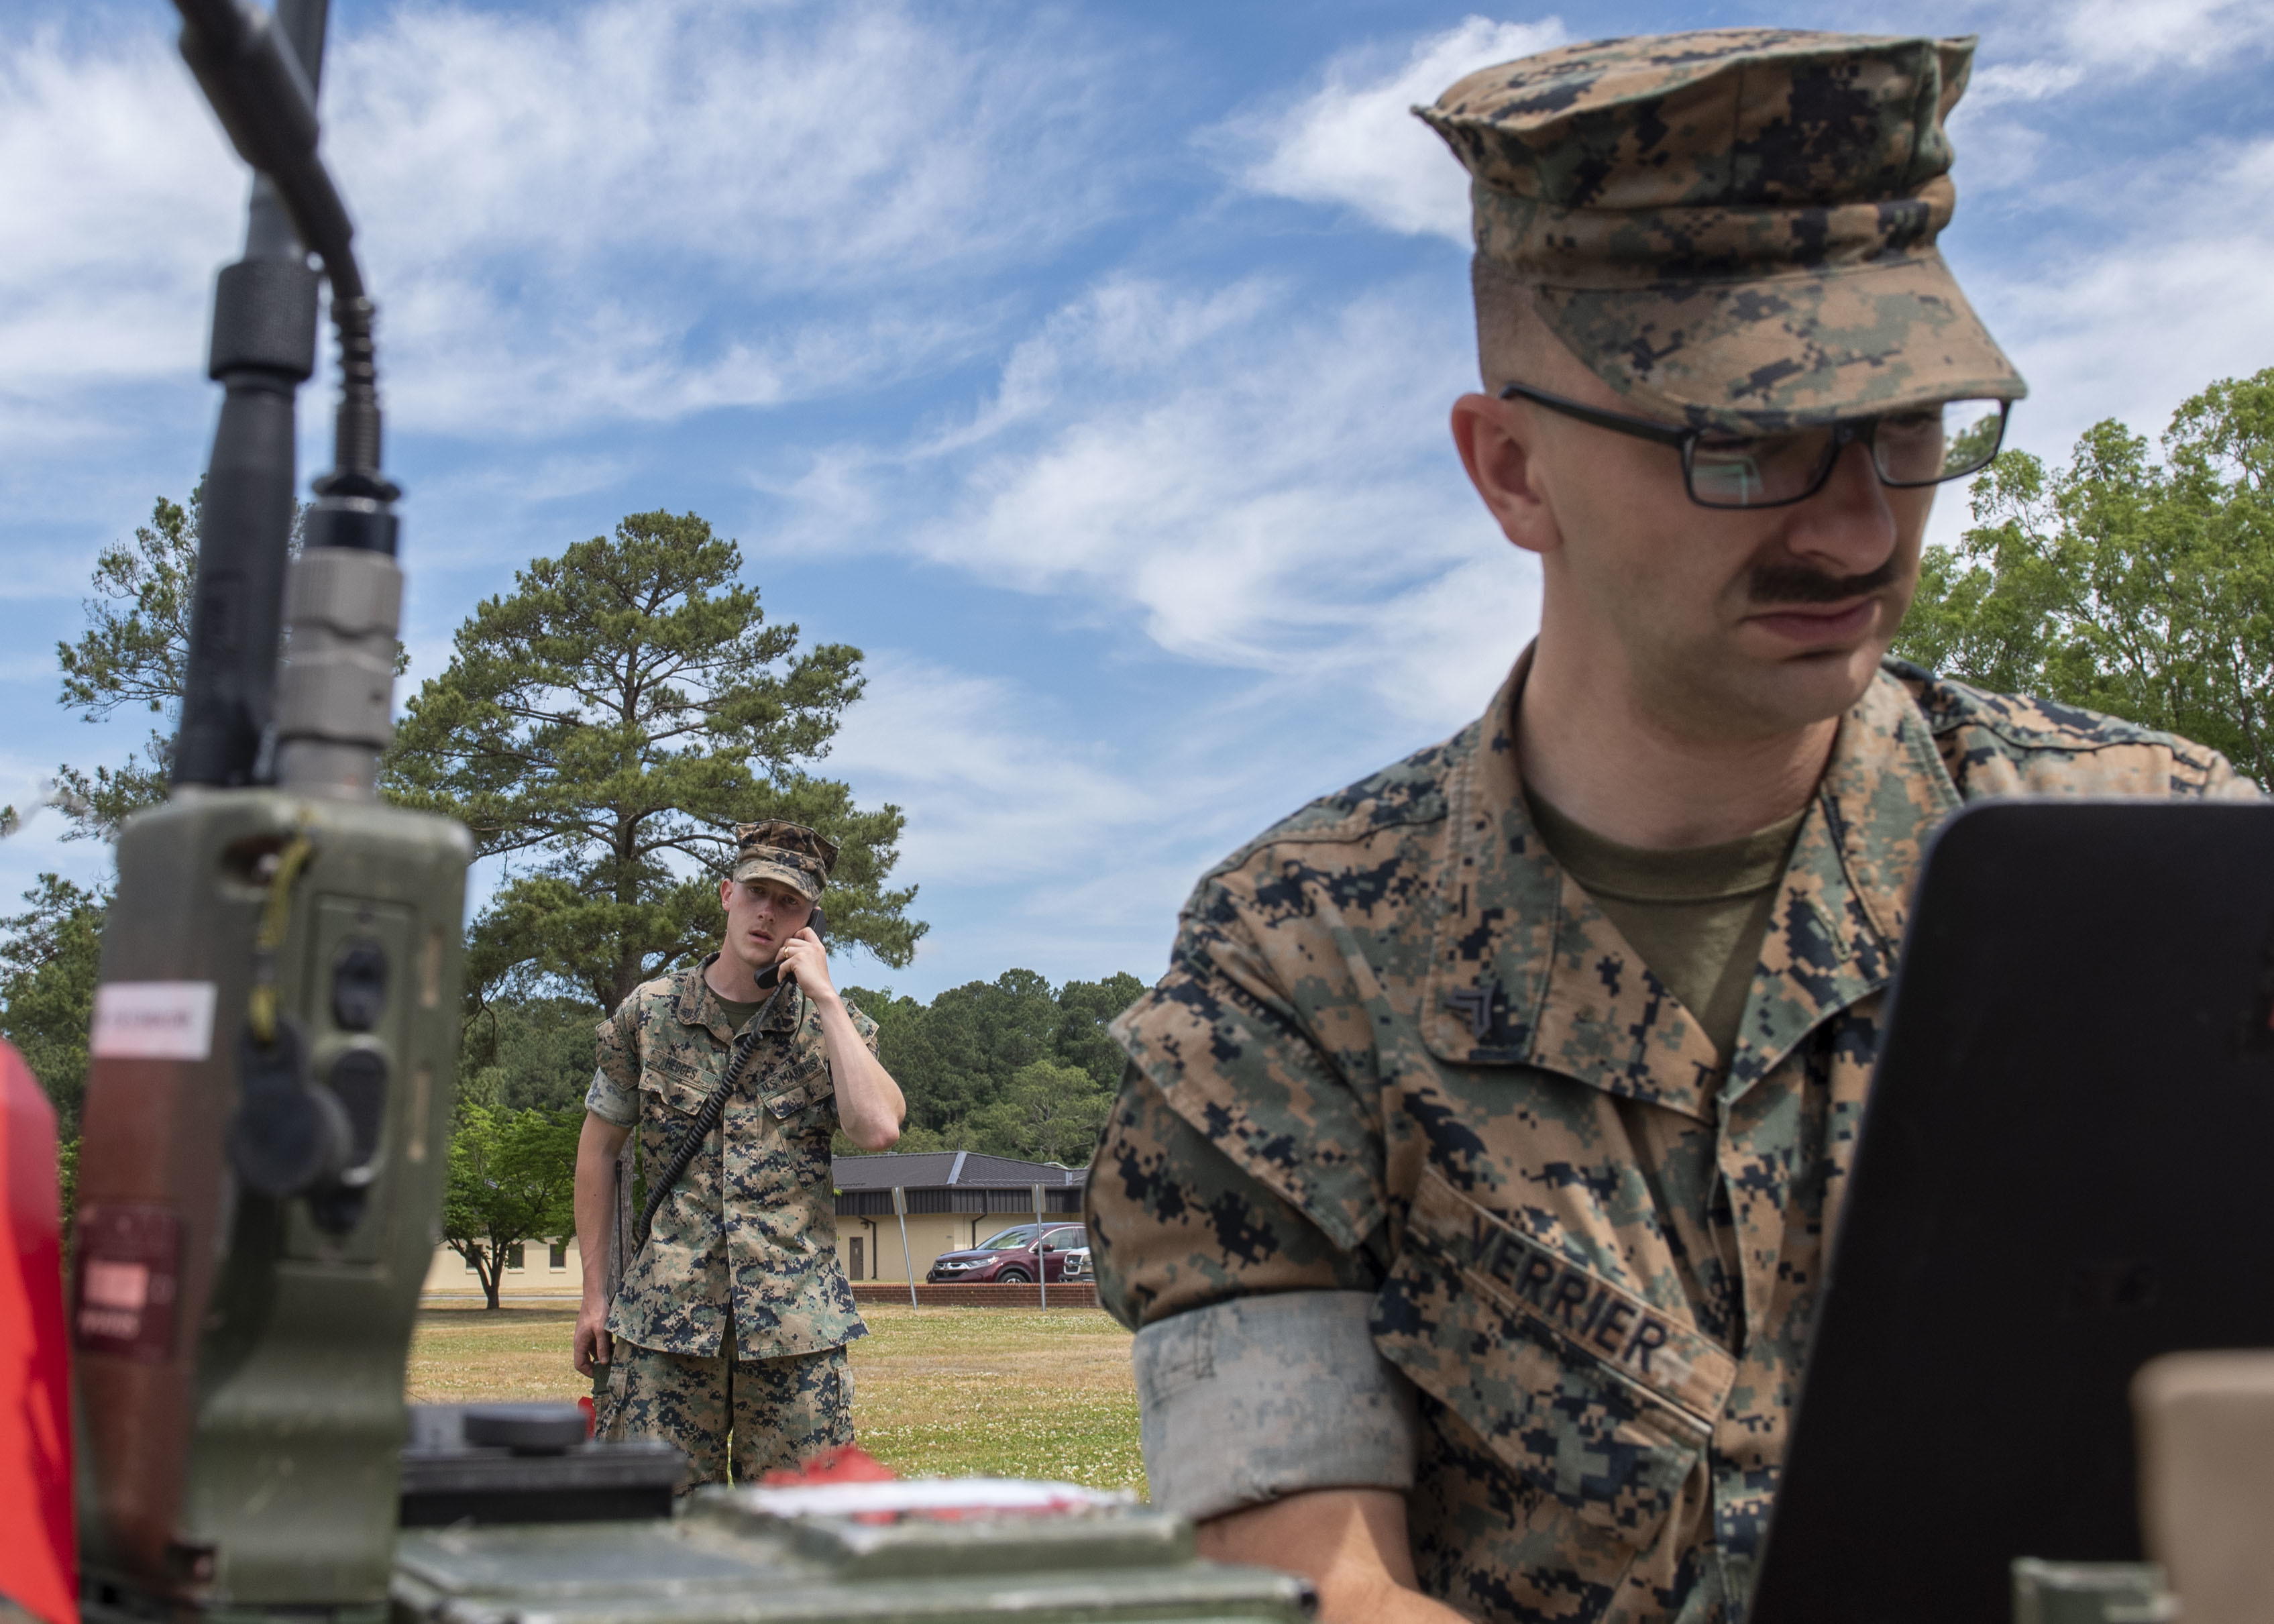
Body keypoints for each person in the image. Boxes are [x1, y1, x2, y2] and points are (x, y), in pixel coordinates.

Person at [1085, 28, 2261, 1624]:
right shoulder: (1297, 963)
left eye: (1906, 427)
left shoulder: (2163, 867)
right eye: (1747, 441)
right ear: (1512, 470)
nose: (1854, 524)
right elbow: (1308, 1575)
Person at [572, 818, 904, 1487]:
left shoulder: (832, 1027)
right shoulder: (652, 1015)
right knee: (657, 1531)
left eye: (790, 904)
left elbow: (878, 1129)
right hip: (666, 1329)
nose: (767, 913)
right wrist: (593, 1297)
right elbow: (598, 1152)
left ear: (810, 922)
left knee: (802, 1537)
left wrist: (828, 1001)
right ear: (726, 893)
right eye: (757, 892)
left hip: (794, 1336)